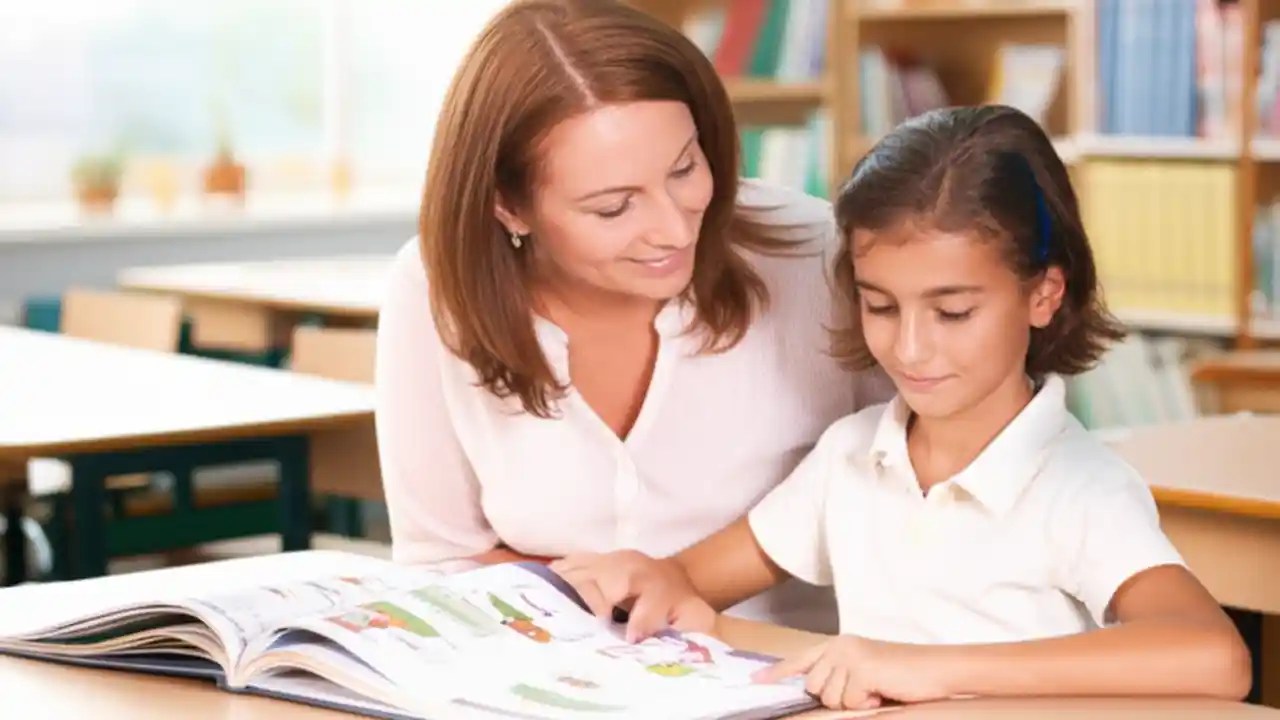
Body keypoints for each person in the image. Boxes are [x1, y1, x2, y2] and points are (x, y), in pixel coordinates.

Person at [550, 105, 1253, 710]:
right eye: (880, 305)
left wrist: (919, 668)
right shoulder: (852, 454)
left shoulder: (1077, 486)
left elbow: (1214, 657)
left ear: (1043, 294)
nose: (910, 348)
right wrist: (647, 576)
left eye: (952, 312)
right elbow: (690, 583)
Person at [372, 0, 891, 633]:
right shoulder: (432, 287)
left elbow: (931, 486)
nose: (673, 229)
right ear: (508, 207)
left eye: (684, 169)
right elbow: (442, 557)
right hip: (550, 677)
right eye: (613, 208)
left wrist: (681, 587)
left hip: (804, 674)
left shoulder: (817, 253)